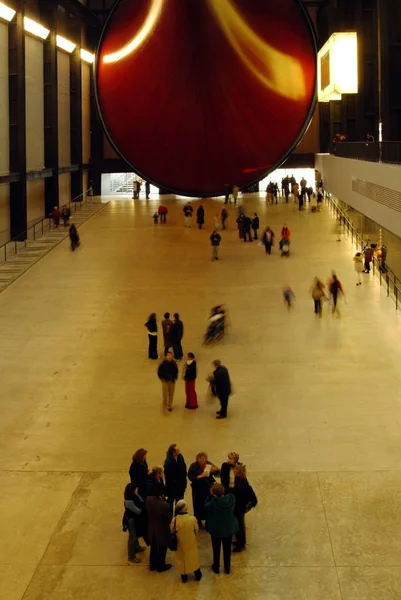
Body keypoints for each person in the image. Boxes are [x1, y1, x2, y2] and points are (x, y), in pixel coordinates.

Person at [205, 483, 239, 575]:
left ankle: (216, 567)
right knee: (227, 550)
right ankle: (227, 568)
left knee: (216, 550)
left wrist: (210, 495)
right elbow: (230, 493)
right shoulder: (231, 499)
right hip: (228, 529)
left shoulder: (212, 503)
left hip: (216, 530)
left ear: (213, 493)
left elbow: (205, 506)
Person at [171, 500, 202, 583]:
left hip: (180, 544)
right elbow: (196, 530)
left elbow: (172, 530)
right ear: (184, 508)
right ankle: (197, 575)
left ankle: (184, 577)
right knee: (193, 559)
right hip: (190, 543)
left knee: (181, 560)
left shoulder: (175, 520)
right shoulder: (192, 519)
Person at [188, 452, 220, 527]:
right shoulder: (193, 466)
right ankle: (198, 521)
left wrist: (216, 470)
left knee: (207, 504)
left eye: (205, 458)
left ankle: (208, 521)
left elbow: (218, 474)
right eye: (202, 459)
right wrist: (201, 476)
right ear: (198, 459)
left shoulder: (209, 464)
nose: (204, 460)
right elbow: (190, 477)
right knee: (197, 505)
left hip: (207, 488)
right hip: (198, 489)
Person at [232, 465, 258, 552]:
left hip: (240, 507)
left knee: (239, 525)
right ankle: (240, 542)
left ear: (237, 472)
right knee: (240, 524)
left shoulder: (240, 484)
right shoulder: (241, 479)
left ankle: (241, 544)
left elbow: (239, 496)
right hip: (242, 505)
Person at [146, 488, 172, 572]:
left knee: (153, 547)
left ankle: (152, 565)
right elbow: (169, 518)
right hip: (161, 529)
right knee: (162, 547)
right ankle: (161, 566)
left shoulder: (148, 500)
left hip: (152, 527)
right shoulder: (164, 505)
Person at [122, 482, 148, 564]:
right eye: (135, 489)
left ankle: (137, 547)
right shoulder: (128, 501)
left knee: (136, 534)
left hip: (136, 519)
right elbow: (138, 511)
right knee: (132, 537)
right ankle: (131, 556)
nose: (137, 490)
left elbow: (141, 501)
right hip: (131, 520)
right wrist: (142, 507)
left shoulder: (134, 495)